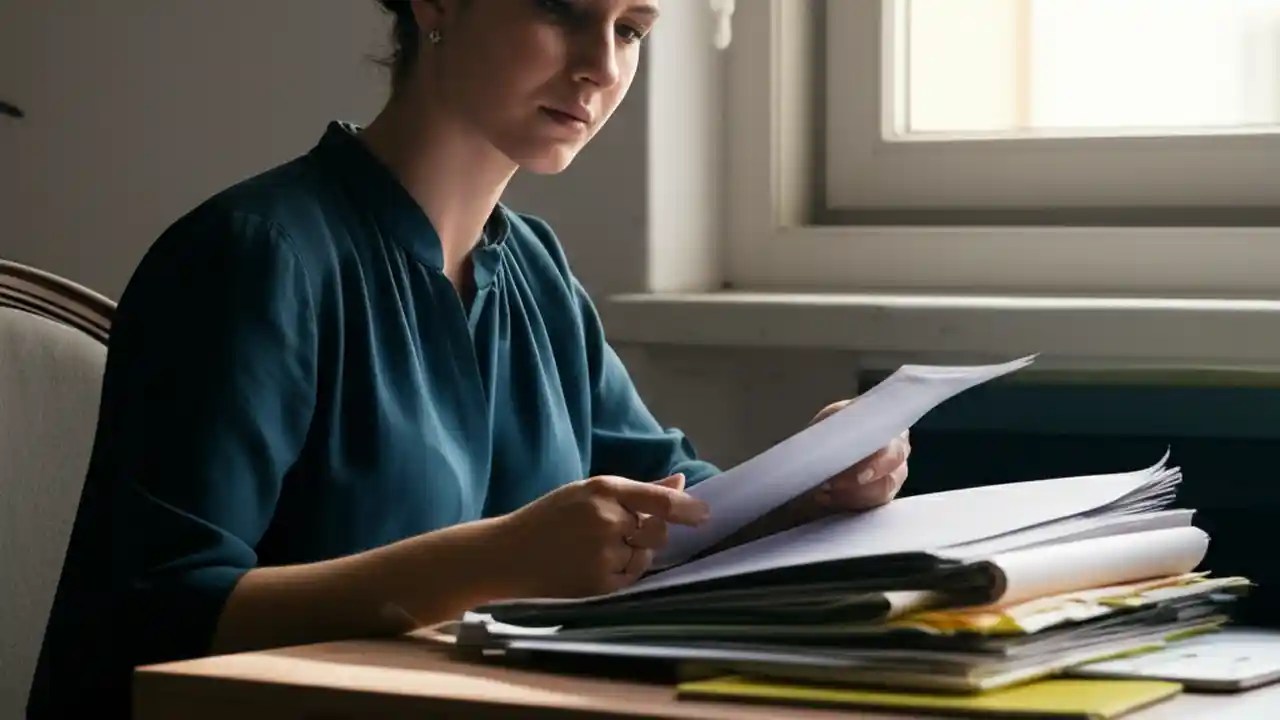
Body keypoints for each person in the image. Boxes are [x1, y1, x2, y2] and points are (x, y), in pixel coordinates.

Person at [27, 1, 911, 717]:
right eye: (564, 12)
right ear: (437, 5)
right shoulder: (253, 257)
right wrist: (497, 558)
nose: (602, 66)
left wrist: (812, 483)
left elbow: (673, 501)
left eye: (631, 30)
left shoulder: (535, 268)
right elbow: (157, 621)